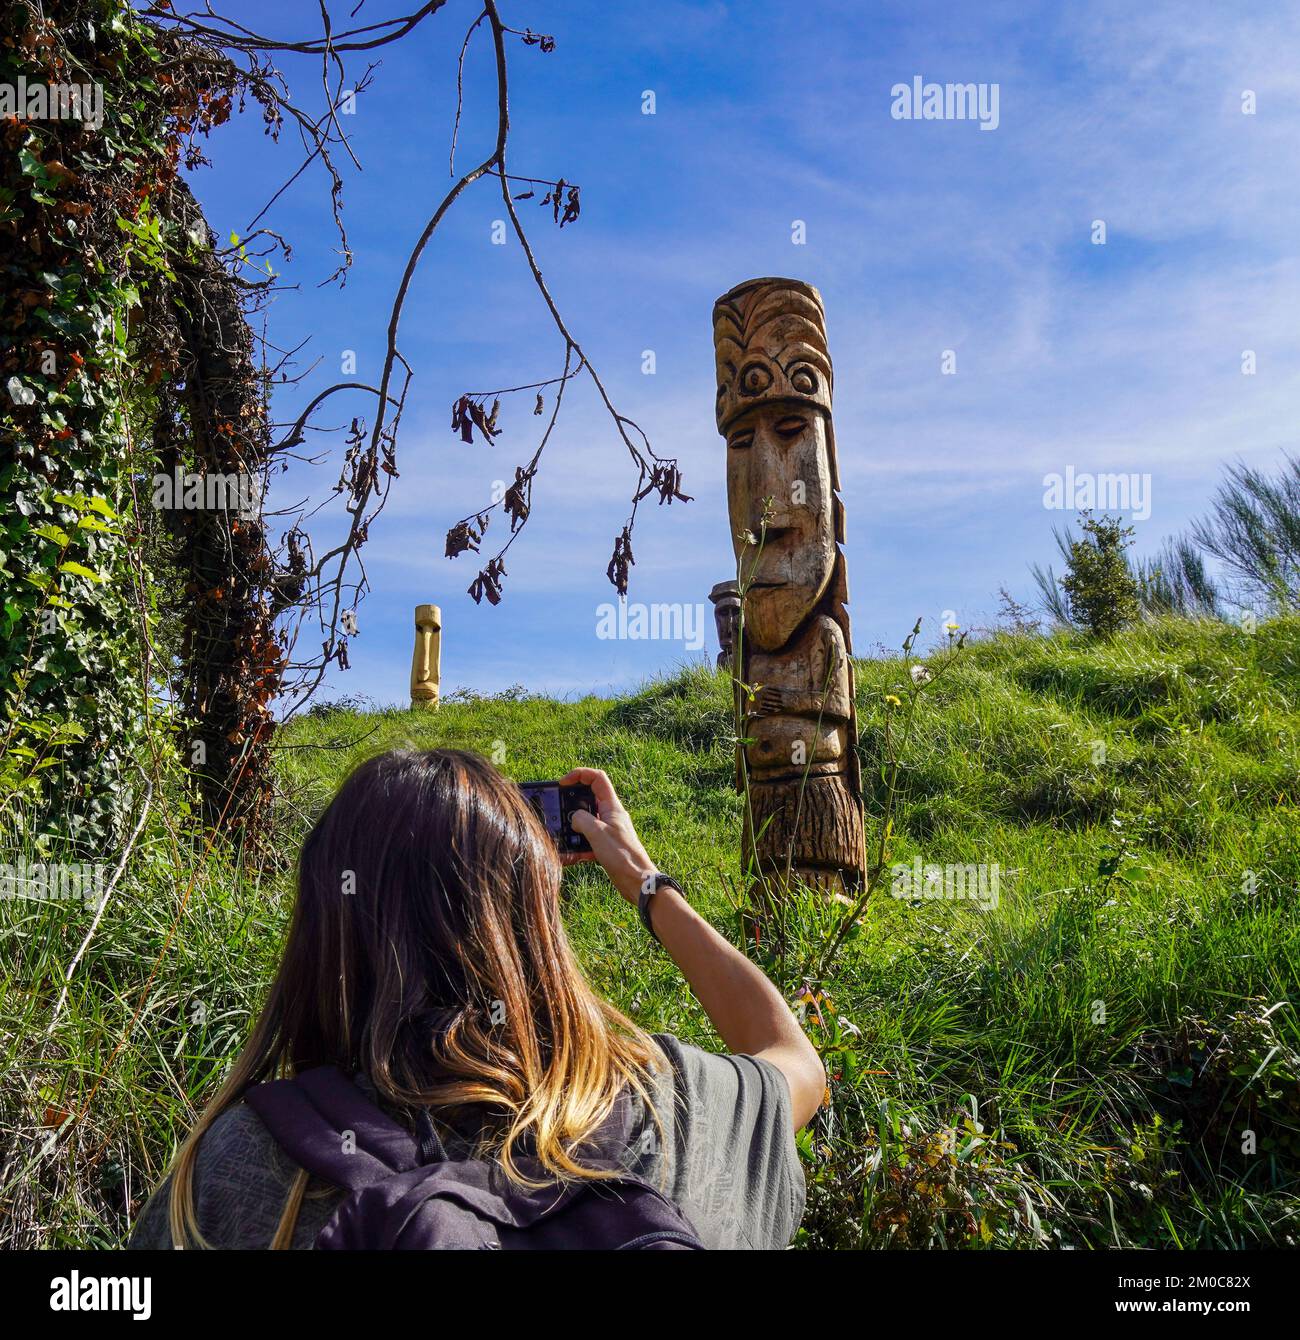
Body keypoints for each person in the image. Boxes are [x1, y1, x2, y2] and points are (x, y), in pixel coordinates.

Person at [129, 749, 824, 1250]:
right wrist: (643, 879)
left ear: (323, 930)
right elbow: (795, 1060)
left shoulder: (232, 1174)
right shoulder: (667, 1112)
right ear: (537, 929)